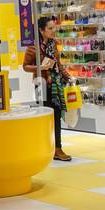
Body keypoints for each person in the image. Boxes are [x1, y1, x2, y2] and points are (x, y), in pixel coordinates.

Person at [24, 16, 71, 162]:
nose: (53, 31)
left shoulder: (54, 45)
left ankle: (57, 148)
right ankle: (45, 148)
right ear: (41, 30)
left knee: (56, 115)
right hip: (41, 85)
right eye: (50, 28)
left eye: (53, 27)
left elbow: (58, 64)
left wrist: (68, 77)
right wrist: (40, 67)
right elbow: (25, 66)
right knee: (45, 117)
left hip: (55, 85)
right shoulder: (33, 48)